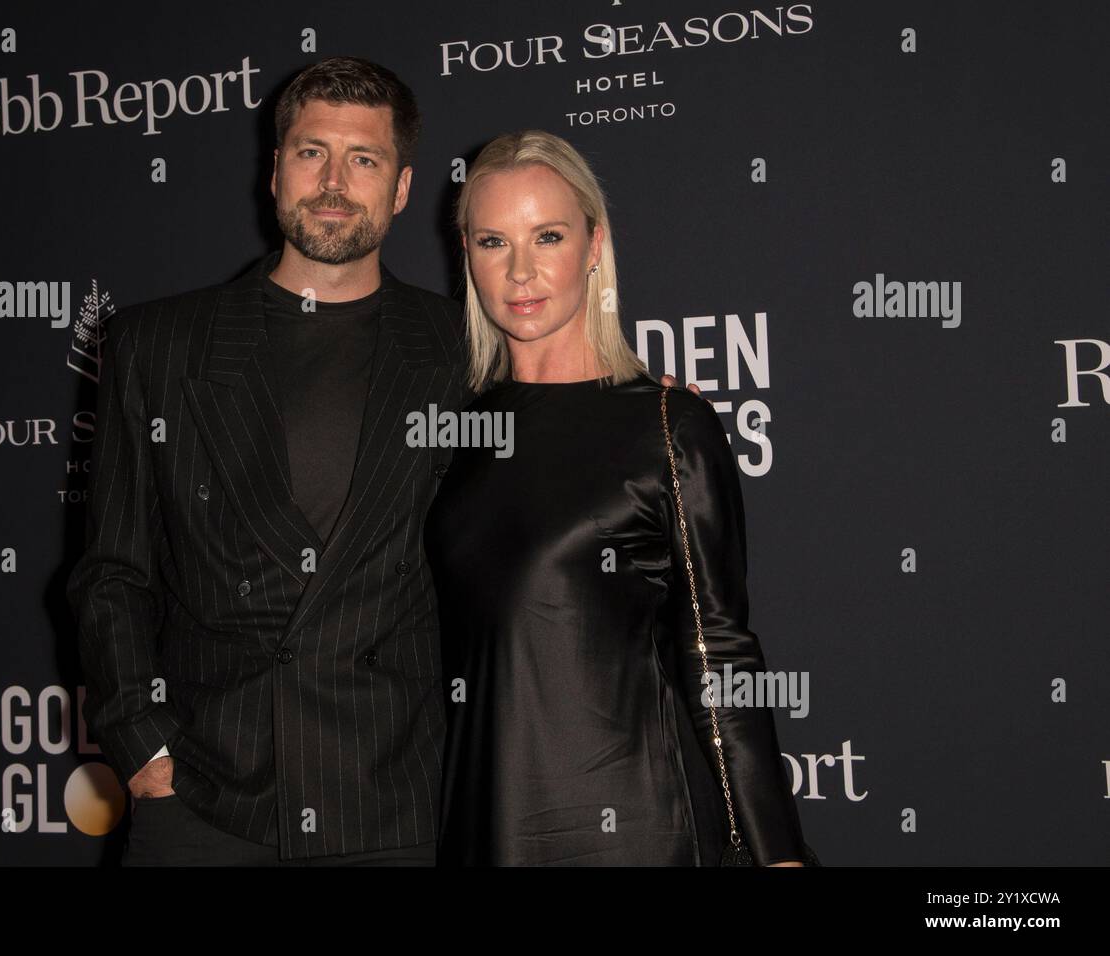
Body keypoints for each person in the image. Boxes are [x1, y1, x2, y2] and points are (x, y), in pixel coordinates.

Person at [66, 56, 475, 865]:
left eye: (364, 160)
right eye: (309, 152)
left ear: (400, 189)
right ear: (275, 171)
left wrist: (645, 409)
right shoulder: (159, 345)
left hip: (396, 803)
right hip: (208, 800)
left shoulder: (466, 350)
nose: (333, 181)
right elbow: (111, 570)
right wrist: (141, 745)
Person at [423, 130, 810, 866]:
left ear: (594, 245)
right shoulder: (456, 431)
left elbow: (719, 650)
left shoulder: (666, 423)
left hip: (636, 825)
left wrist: (778, 854)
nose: (522, 270)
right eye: (492, 241)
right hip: (485, 816)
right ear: (466, 255)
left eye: (549, 235)